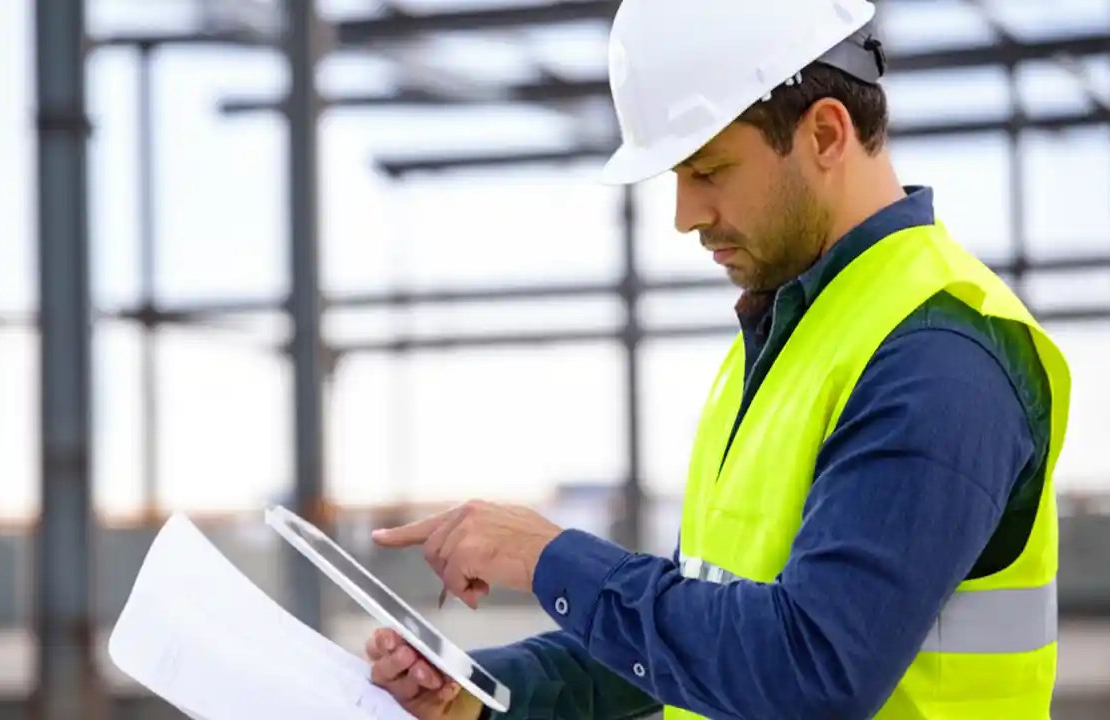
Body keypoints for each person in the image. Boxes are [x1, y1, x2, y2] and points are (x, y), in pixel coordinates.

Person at [364, 0, 1071, 718]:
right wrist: (483, 694)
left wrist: (550, 558)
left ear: (825, 133)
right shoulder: (797, 337)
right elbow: (695, 635)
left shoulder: (936, 356)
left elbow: (809, 670)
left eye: (708, 169)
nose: (684, 214)